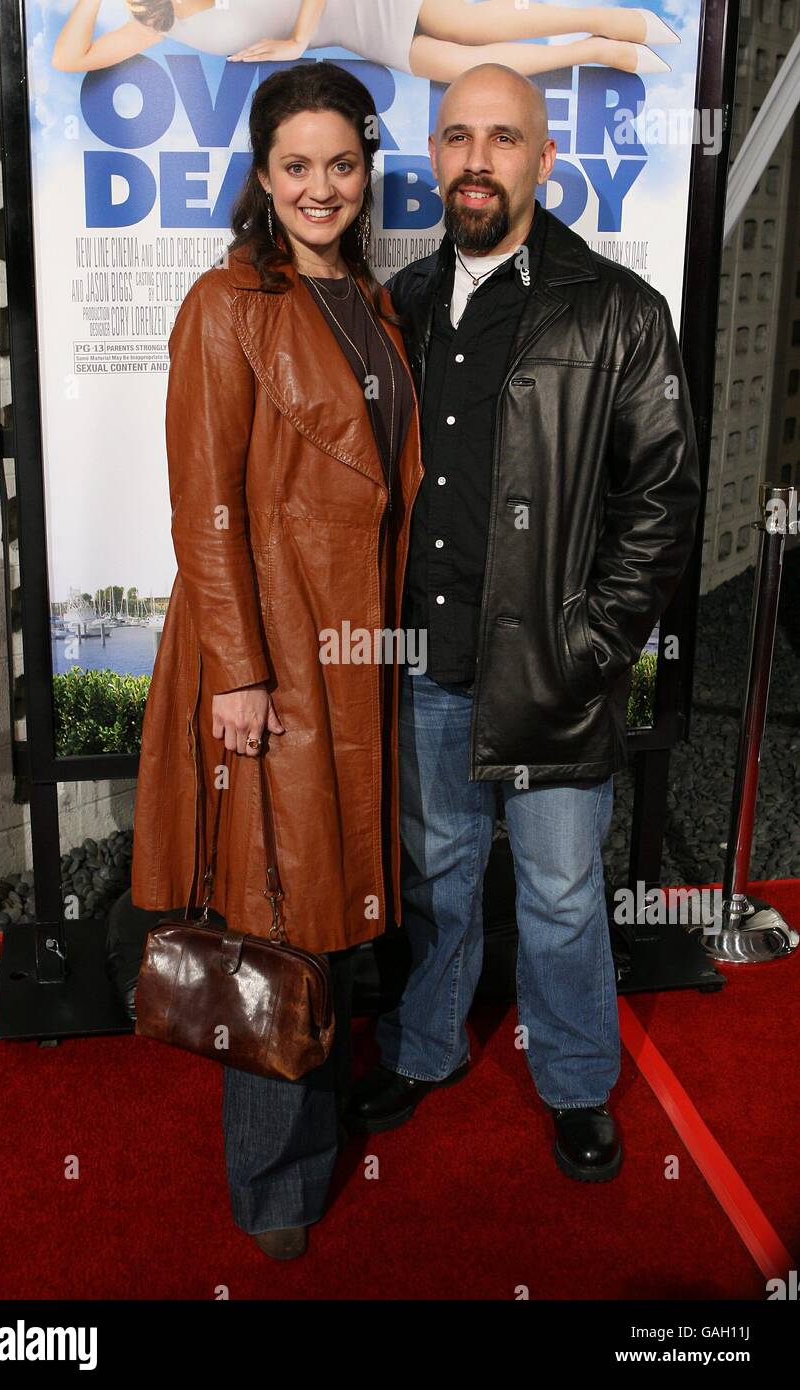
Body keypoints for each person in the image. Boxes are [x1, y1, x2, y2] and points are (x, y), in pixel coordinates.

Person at [344, 62, 702, 1183]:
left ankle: (575, 1081)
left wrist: (592, 643)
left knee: (555, 894)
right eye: (455, 138)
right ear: (432, 157)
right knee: (437, 878)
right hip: (428, 665)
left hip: (554, 673)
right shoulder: (395, 308)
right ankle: (423, 1046)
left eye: (502, 139)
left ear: (543, 159)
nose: (475, 160)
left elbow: (662, 498)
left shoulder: (615, 309)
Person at [130, 60, 422, 1258]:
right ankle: (274, 1182)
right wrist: (239, 674)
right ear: (261, 175)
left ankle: (318, 1103)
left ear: (364, 167)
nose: (321, 186)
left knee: (334, 900)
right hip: (275, 655)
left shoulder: (368, 297)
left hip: (357, 652)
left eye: (341, 164)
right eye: (295, 167)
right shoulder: (225, 303)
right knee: (275, 911)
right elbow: (203, 508)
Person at [51, 0, 680, 78]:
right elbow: (70, 59)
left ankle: (616, 21)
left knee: (480, 26)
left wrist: (297, 40)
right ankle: (601, 49)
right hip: (359, 39)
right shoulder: (162, 23)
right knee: (467, 71)